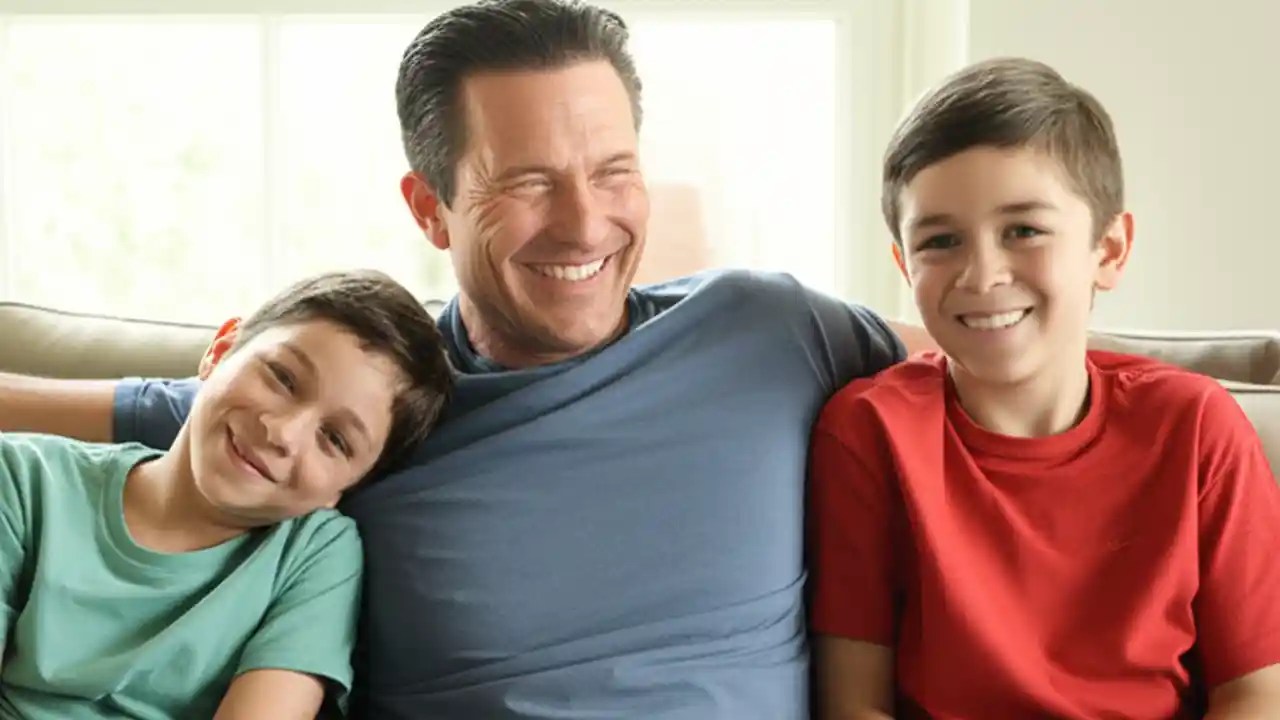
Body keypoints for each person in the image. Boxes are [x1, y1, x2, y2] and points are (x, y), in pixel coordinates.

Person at [0, 1, 935, 717]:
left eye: (613, 170)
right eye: (527, 182)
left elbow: (988, 376)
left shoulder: (771, 329)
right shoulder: (360, 407)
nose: (584, 223)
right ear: (429, 207)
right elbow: (88, 409)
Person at [806, 57, 1280, 719]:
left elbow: (1256, 694)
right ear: (902, 264)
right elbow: (855, 704)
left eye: (1023, 230)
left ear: (1108, 250)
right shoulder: (868, 432)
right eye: (941, 240)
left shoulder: (1198, 427)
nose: (981, 273)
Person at [0, 270, 452, 719]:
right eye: (282, 378)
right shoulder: (24, 479)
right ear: (220, 350)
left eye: (334, 440)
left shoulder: (314, 555)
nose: (282, 433)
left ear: (347, 488)